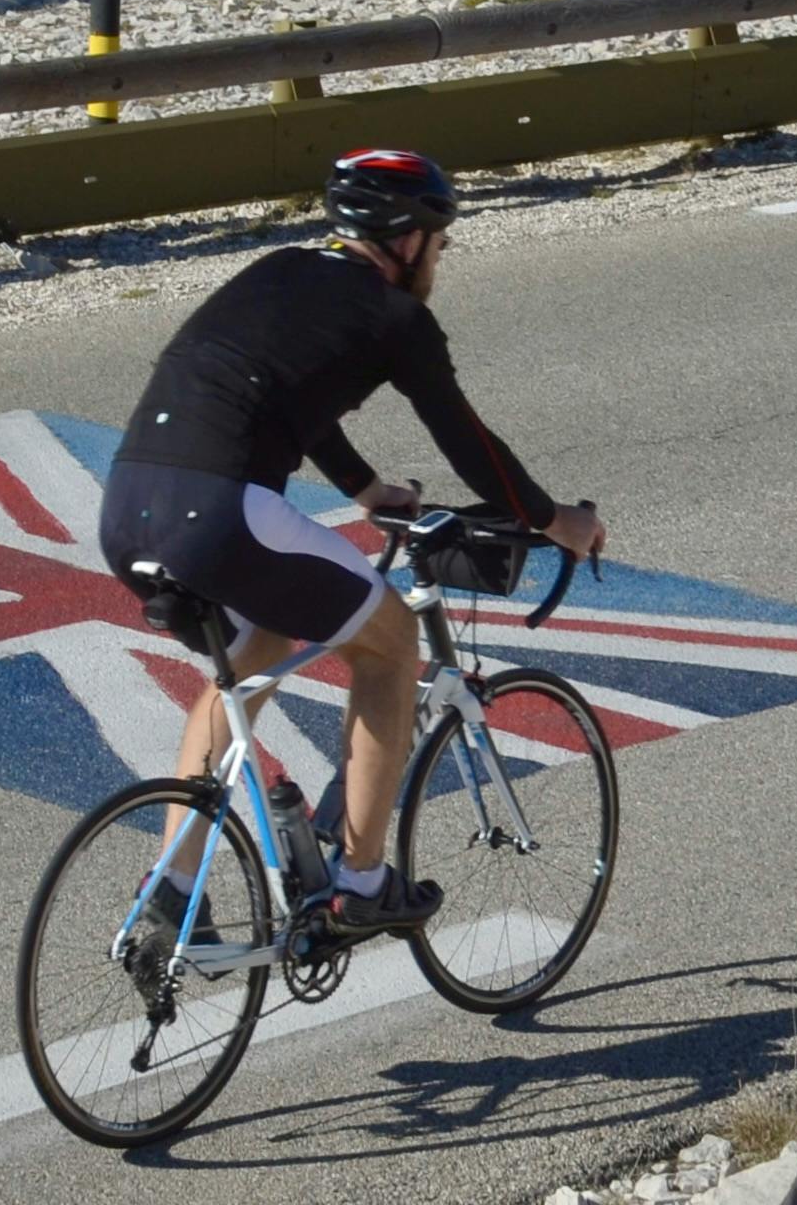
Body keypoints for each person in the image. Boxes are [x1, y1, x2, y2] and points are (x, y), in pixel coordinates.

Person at [96, 146, 605, 935]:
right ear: (406, 239)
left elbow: (289, 398)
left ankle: (169, 897)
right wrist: (552, 520)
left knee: (252, 656)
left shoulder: (278, 270)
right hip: (224, 511)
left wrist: (365, 490)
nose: (439, 259)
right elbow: (467, 441)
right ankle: (361, 884)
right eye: (438, 243)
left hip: (128, 504)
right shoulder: (397, 318)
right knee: (391, 644)